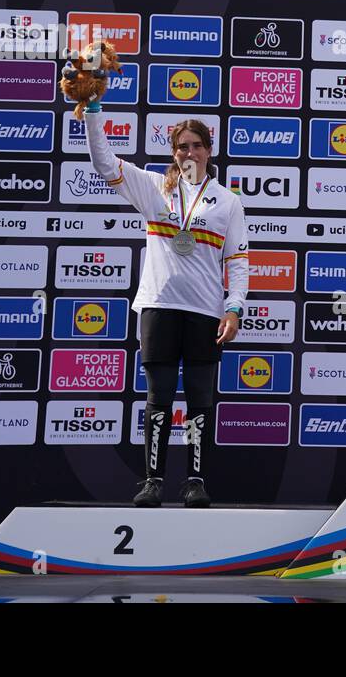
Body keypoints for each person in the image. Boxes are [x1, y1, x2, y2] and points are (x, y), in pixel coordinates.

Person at [78, 93, 249, 508]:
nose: (189, 151)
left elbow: (239, 261)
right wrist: (93, 112)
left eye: (196, 144)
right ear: (173, 152)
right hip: (158, 306)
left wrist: (235, 307)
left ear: (209, 150)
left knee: (200, 401)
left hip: (205, 312)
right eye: (181, 146)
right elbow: (104, 163)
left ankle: (195, 480)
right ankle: (152, 480)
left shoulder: (228, 201)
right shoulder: (155, 188)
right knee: (158, 398)